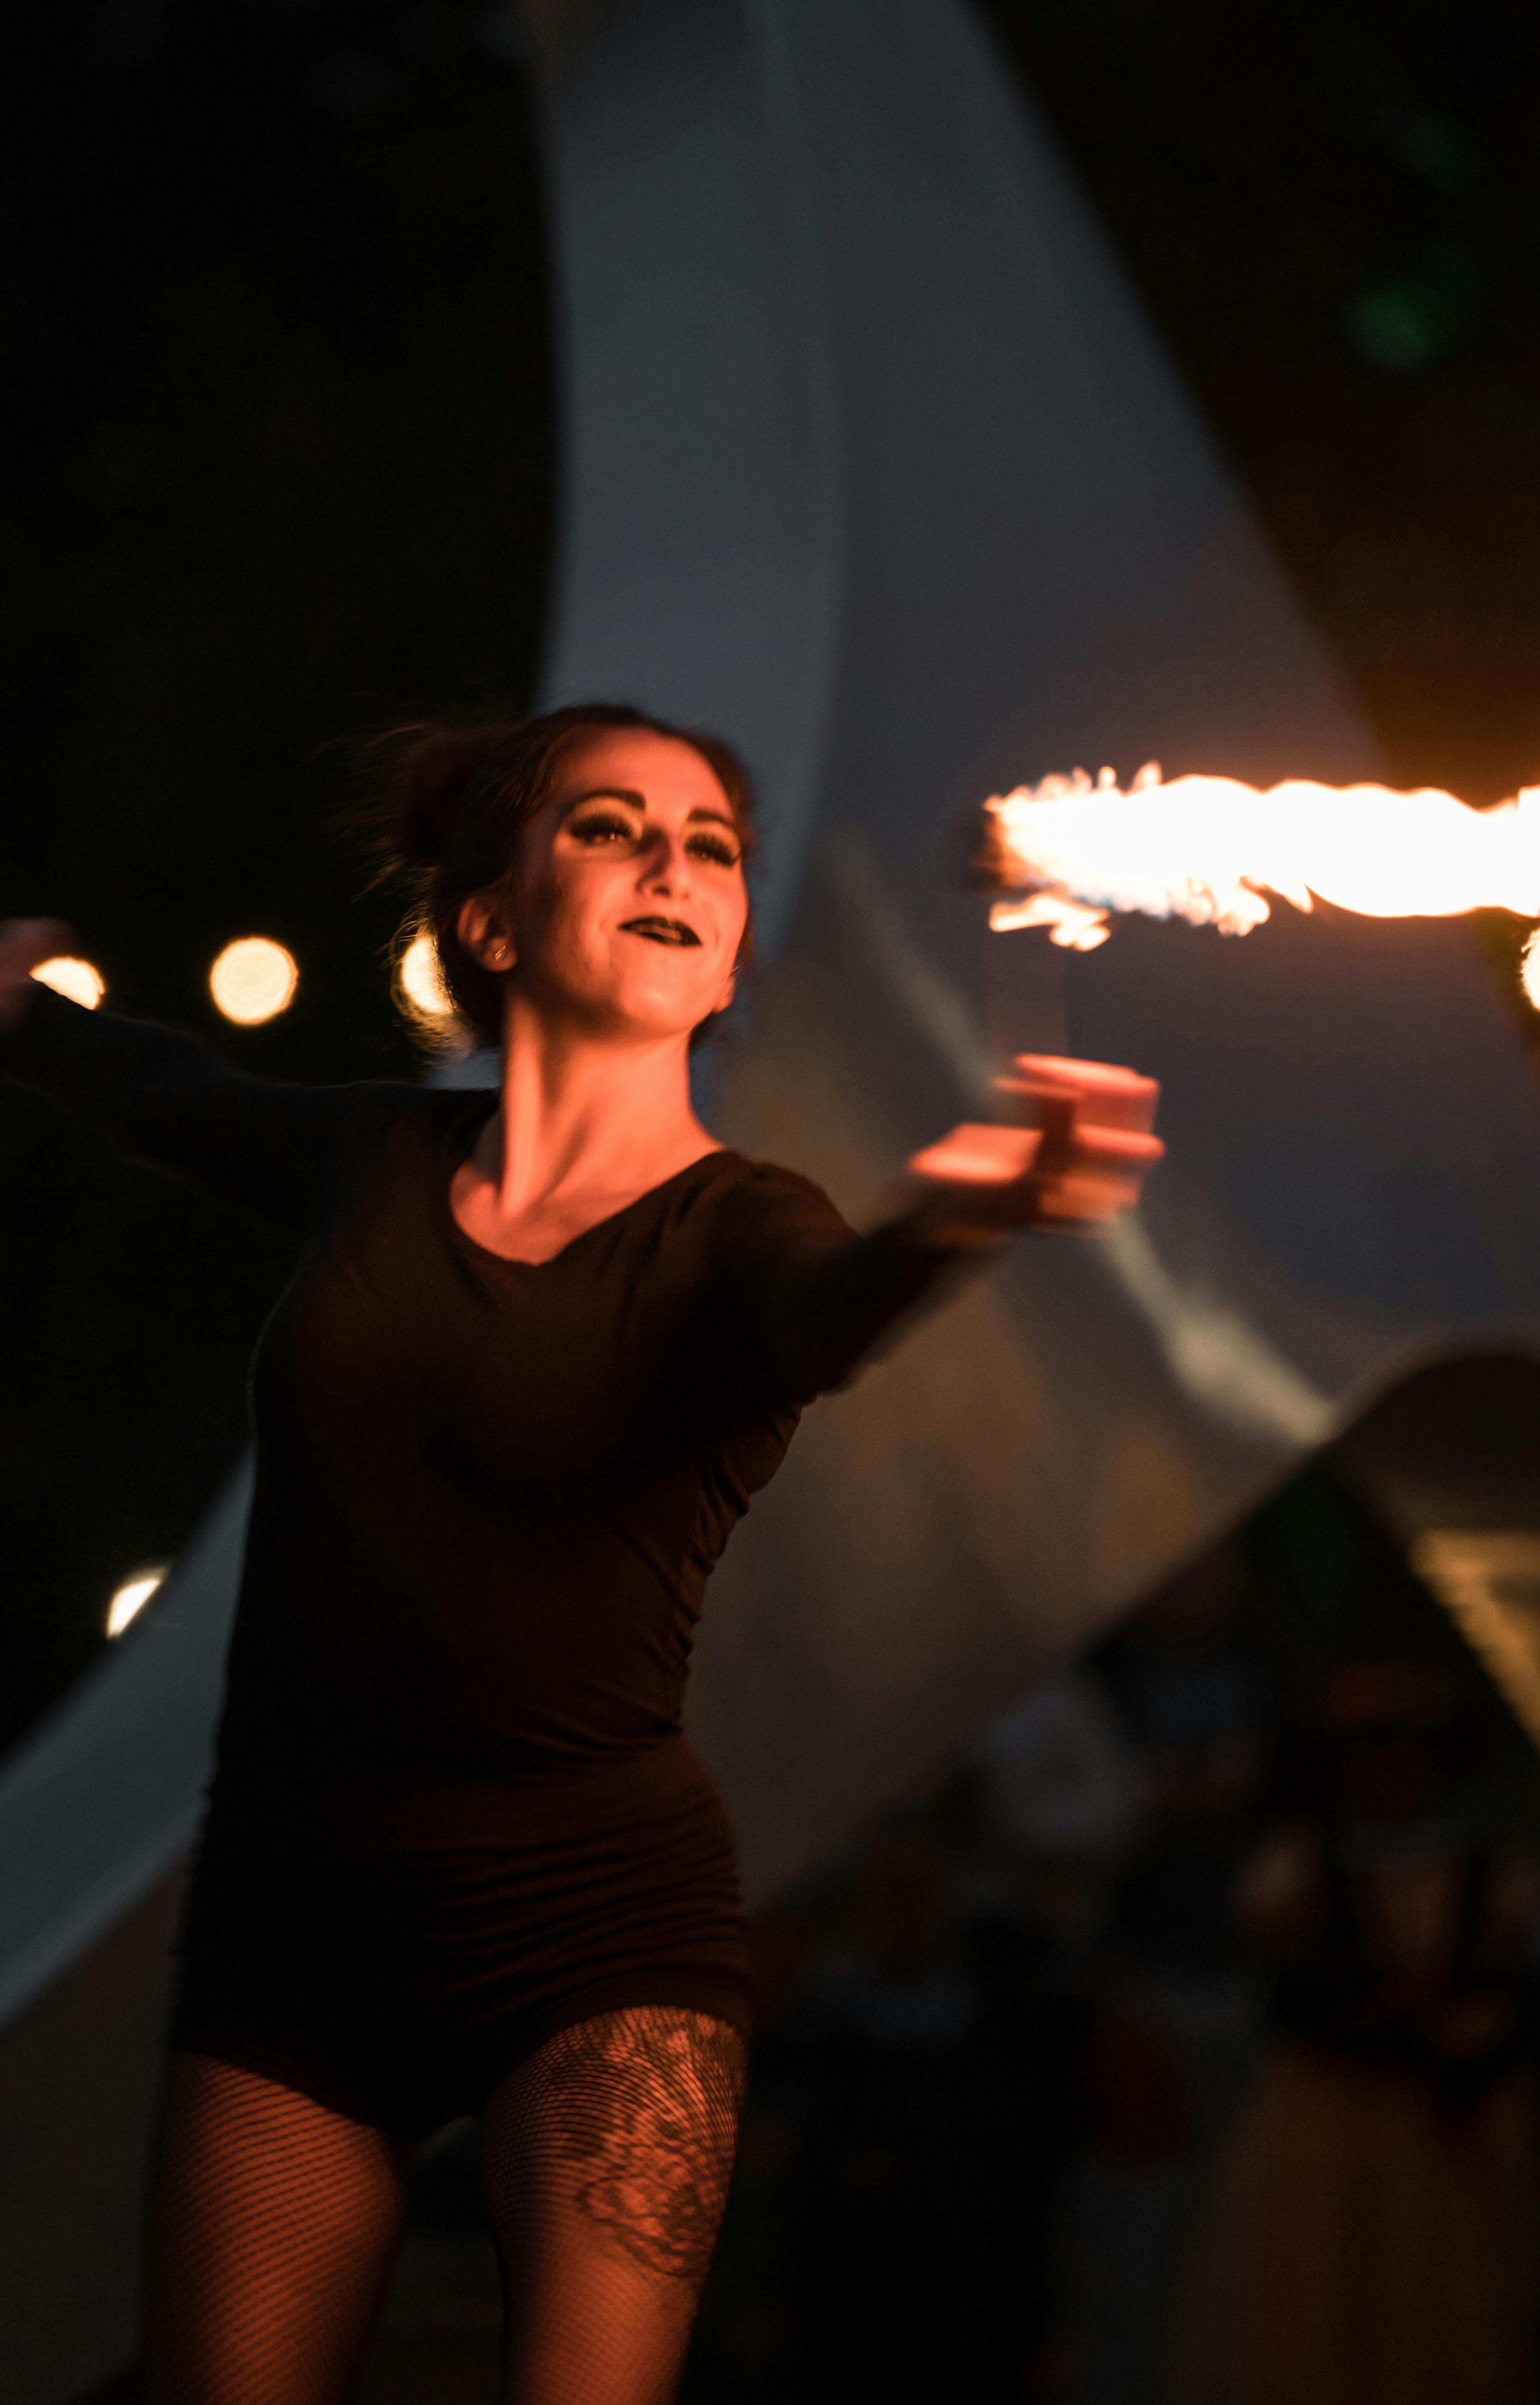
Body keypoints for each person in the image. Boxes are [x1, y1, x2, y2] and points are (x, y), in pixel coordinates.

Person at [0, 701, 1162, 2405]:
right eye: (613, 826)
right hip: (291, 1931)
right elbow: (167, 1085)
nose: (674, 864)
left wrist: (964, 1213)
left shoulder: (748, 1226)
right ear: (487, 916)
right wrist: (23, 1009)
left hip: (596, 1937)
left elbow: (818, 1323)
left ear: (727, 951)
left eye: (711, 846)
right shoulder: (369, 1162)